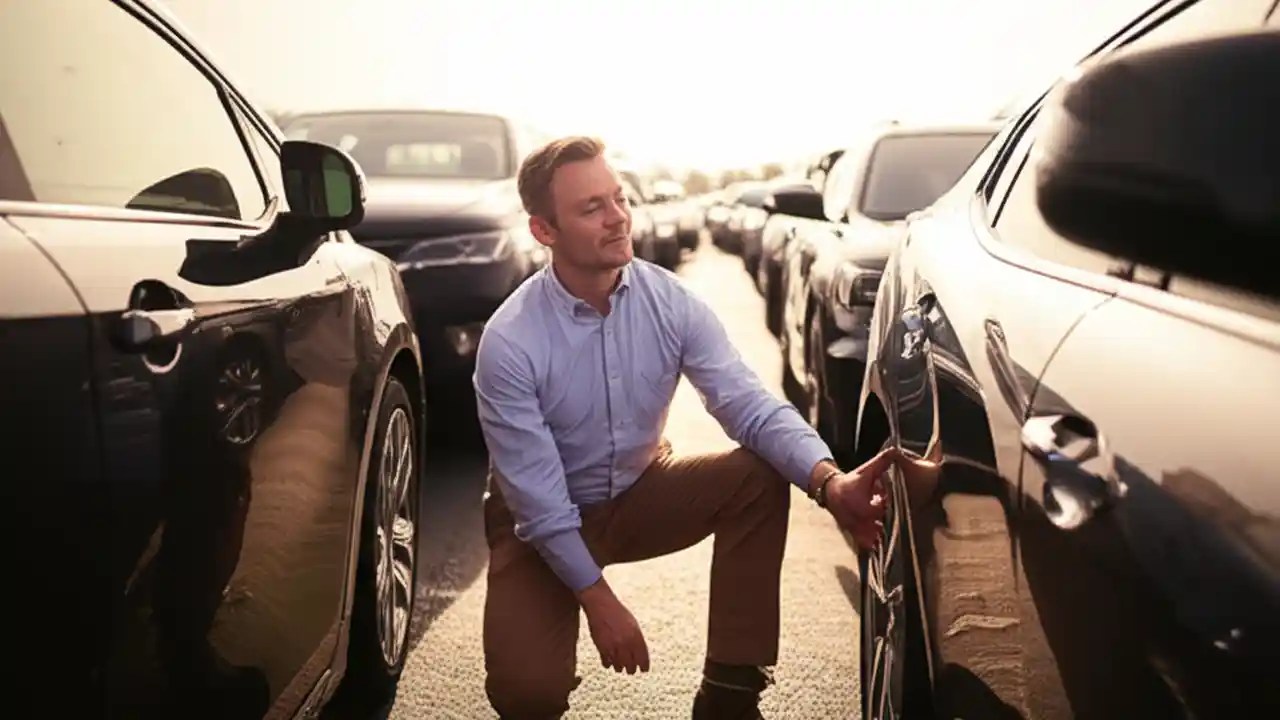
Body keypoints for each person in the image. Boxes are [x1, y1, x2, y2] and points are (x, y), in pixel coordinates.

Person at [473, 136, 899, 720]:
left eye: (617, 198)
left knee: (757, 474)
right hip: (537, 524)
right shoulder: (510, 341)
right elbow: (540, 503)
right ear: (545, 231)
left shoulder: (669, 302)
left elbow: (748, 404)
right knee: (527, 694)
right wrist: (599, 601)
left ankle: (728, 697)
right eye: (591, 208)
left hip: (638, 489)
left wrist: (830, 482)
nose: (618, 216)